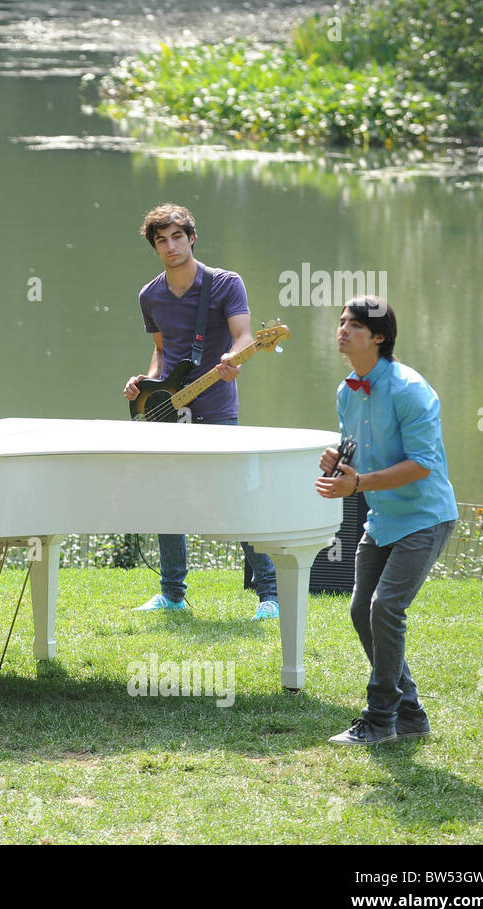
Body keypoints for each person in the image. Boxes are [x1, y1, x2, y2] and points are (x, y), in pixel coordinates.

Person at [122, 203, 279, 619]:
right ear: (155, 247)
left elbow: (245, 334)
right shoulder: (150, 295)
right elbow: (160, 352)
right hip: (166, 411)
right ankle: (173, 594)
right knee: (167, 499)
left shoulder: (226, 283)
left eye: (177, 237)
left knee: (236, 498)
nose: (170, 247)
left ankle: (270, 596)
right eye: (161, 241)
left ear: (192, 238)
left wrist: (235, 359)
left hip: (215, 405)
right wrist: (144, 383)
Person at [316, 296, 457, 745]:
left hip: (424, 516)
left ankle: (379, 721)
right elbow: (358, 448)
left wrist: (357, 485)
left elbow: (422, 465)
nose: (342, 330)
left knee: (386, 608)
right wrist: (339, 461)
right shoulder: (347, 390)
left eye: (354, 325)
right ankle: (410, 714)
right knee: (362, 609)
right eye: (341, 322)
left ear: (379, 337)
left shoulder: (410, 390)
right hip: (383, 517)